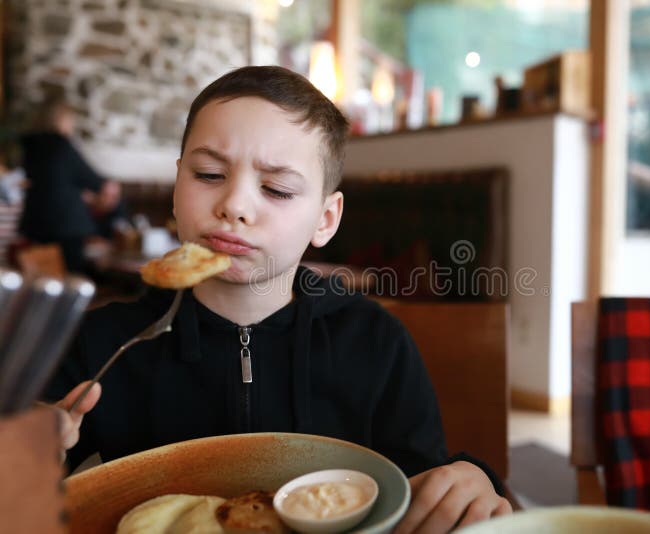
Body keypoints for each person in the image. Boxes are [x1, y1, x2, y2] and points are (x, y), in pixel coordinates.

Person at [45, 66, 511, 532]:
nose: (236, 206)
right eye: (208, 174)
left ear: (325, 219)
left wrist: (472, 480)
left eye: (276, 189)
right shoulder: (102, 343)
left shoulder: (375, 343)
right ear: (176, 186)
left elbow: (421, 491)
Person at [18, 98, 120, 273]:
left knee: (42, 277)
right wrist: (109, 188)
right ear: (63, 119)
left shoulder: (30, 147)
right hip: (65, 225)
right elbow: (93, 179)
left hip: (35, 222)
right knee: (70, 277)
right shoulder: (61, 145)